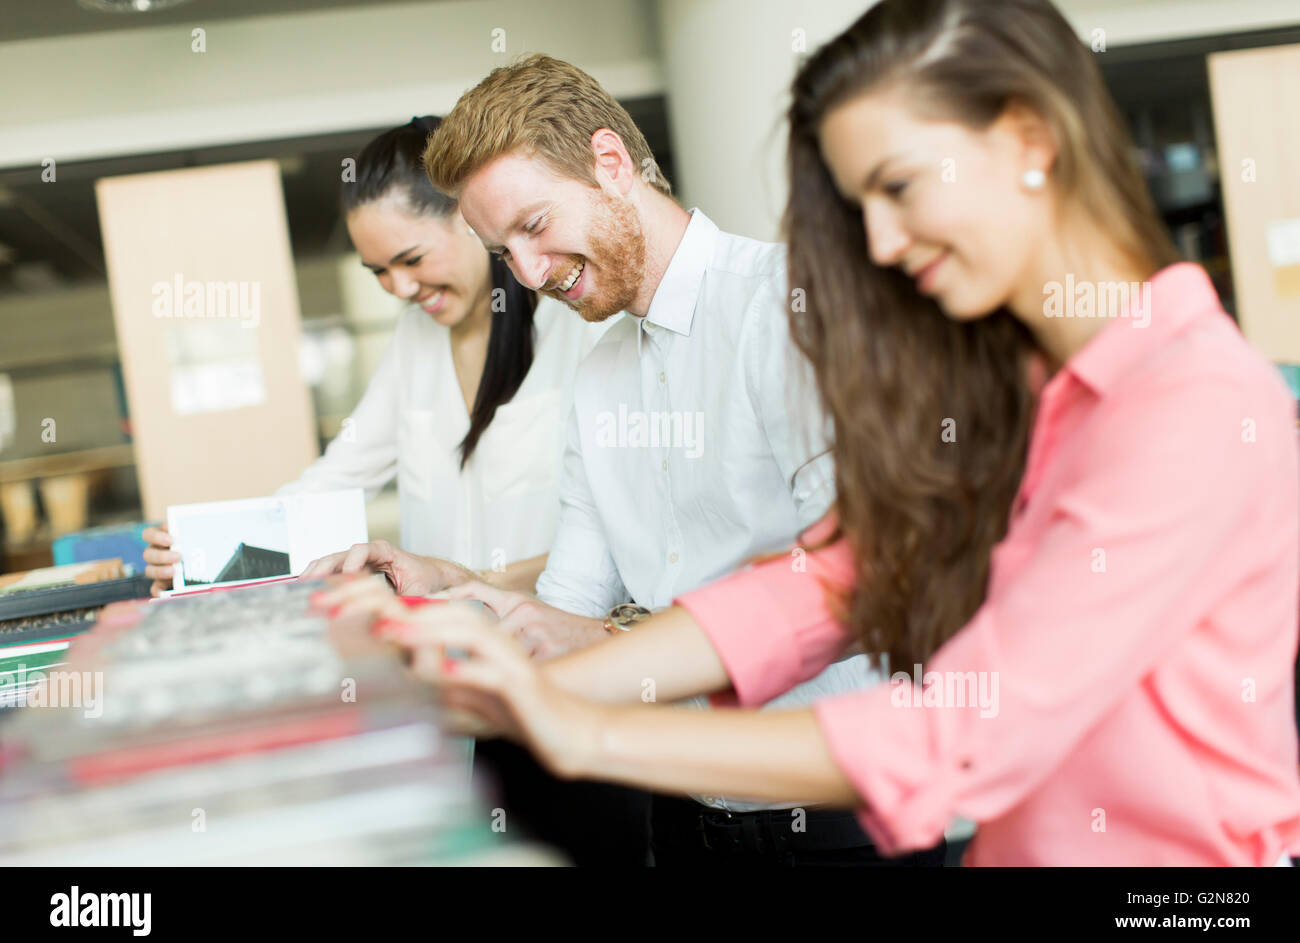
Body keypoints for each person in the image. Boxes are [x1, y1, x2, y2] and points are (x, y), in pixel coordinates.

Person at [324, 0, 1300, 866]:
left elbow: (961, 730)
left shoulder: (1191, 402)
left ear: (1029, 139)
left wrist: (578, 726)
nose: (877, 242)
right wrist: (525, 684)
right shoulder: (1028, 384)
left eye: (899, 186)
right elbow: (829, 580)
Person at [315, 53, 939, 867]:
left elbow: (869, 591)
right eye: (503, 252)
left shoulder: (787, 309)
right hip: (684, 808)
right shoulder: (601, 371)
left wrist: (608, 637)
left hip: (838, 813)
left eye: (534, 226)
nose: (529, 275)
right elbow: (573, 601)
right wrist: (460, 601)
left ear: (611, 164)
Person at [141, 117, 617, 598]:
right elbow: (338, 476)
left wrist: (473, 582)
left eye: (411, 259)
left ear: (471, 218)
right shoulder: (416, 338)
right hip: (443, 645)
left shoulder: (578, 325)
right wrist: (199, 552)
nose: (401, 288)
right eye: (379, 272)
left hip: (556, 637)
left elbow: (616, 537)